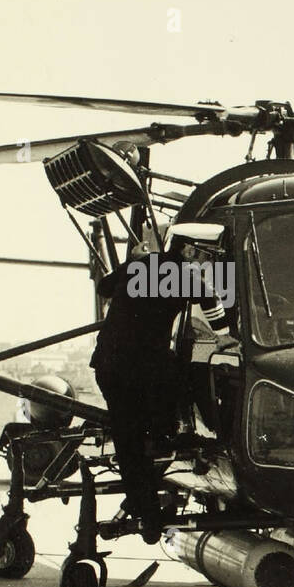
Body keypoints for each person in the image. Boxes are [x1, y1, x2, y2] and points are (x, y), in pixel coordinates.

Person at [90, 227, 233, 544]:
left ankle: (148, 514)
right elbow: (212, 302)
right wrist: (223, 335)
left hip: (109, 366)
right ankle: (168, 450)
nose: (205, 262)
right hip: (145, 371)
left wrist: (136, 261)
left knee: (129, 444)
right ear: (190, 251)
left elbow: (103, 287)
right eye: (205, 256)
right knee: (164, 433)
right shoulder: (188, 277)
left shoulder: (139, 267)